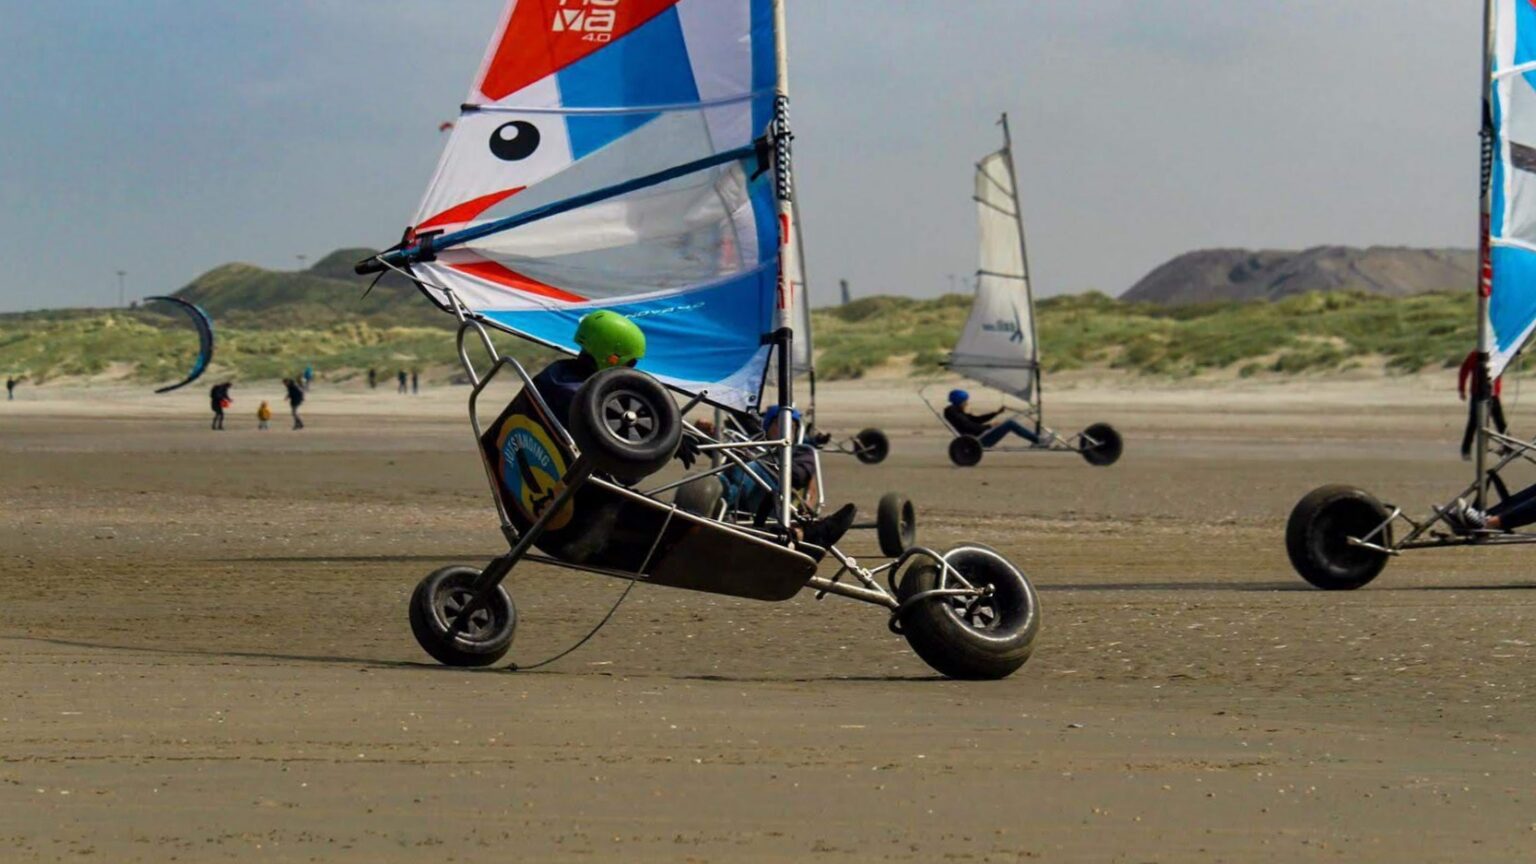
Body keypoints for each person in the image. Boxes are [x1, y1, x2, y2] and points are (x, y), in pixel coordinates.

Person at [528, 311, 855, 557]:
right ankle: (800, 538)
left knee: (688, 514)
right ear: (611, 357)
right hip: (579, 522)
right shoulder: (584, 400)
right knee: (689, 533)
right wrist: (665, 442)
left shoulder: (554, 378)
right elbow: (625, 472)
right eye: (629, 363)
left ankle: (796, 532)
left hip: (545, 500)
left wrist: (667, 438)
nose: (630, 370)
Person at [943, 389, 1041, 447]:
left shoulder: (956, 412)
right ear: (960, 401)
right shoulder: (956, 414)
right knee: (1010, 424)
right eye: (965, 401)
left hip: (979, 436)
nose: (966, 403)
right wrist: (989, 426)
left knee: (1008, 422)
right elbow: (971, 427)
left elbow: (977, 419)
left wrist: (996, 413)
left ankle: (1036, 440)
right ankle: (1038, 441)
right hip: (979, 441)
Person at [1458, 350, 1507, 461]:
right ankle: (1466, 450)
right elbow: (1464, 370)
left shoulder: (1498, 353)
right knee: (1474, 422)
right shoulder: (1475, 354)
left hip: (1493, 394)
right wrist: (1461, 389)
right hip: (1478, 394)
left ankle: (1507, 447)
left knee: (1500, 421)